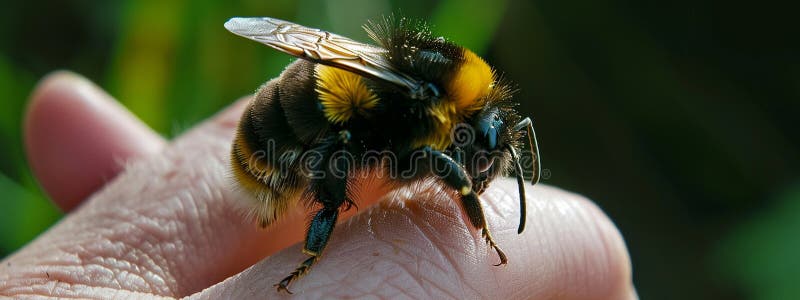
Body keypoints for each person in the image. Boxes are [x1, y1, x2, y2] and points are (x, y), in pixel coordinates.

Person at [0, 72, 636, 299]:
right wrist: (485, 237)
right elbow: (441, 165)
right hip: (285, 133)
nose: (482, 168)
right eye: (485, 154)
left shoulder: (430, 109)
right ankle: (313, 253)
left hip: (307, 115)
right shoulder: (426, 123)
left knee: (350, 144)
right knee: (346, 146)